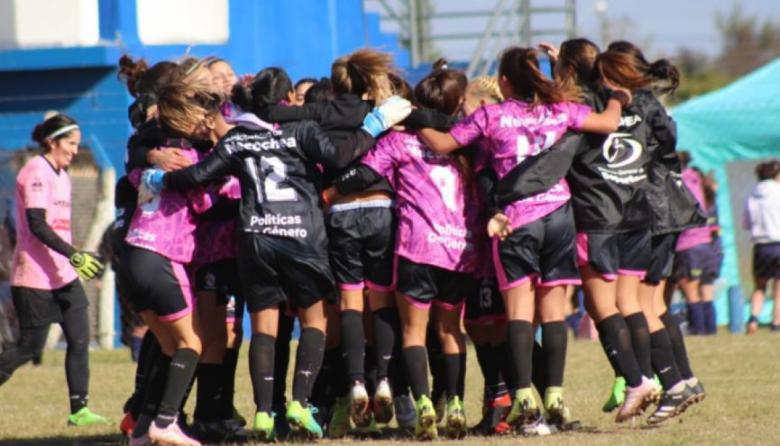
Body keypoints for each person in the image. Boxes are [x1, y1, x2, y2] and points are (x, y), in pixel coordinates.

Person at [142, 64, 410, 440]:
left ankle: (265, 412)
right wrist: (373, 126)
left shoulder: (238, 139)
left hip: (255, 238)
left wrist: (158, 178)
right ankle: (299, 401)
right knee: (315, 321)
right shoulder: (302, 131)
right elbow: (339, 157)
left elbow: (199, 176)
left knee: (263, 327)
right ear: (286, 101)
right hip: (302, 237)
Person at [417, 45, 636, 427]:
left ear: (504, 82)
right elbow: (607, 123)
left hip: (515, 219)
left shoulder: (491, 115)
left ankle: (522, 397)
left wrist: (412, 116)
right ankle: (555, 396)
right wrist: (618, 98)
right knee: (553, 312)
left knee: (518, 312)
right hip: (559, 215)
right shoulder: (560, 111)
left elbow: (442, 143)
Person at [327, 64, 476, 440]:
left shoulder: (399, 141)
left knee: (413, 332)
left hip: (418, 249)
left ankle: (423, 404)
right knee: (451, 330)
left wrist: (329, 193)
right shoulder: (465, 141)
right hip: (460, 250)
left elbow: (364, 174)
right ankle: (456, 404)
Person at [599, 41, 702, 424]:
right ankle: (685, 380)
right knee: (655, 304)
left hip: (655, 211)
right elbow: (669, 144)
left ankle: (673, 385)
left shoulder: (635, 105)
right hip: (669, 208)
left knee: (642, 304)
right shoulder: (650, 103)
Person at [0, 113, 109, 426]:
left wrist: (73, 260)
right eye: (70, 143)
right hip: (34, 275)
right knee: (28, 347)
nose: (75, 150)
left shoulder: (63, 174)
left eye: (77, 144)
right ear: (51, 142)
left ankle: (80, 410)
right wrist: (75, 255)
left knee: (79, 339)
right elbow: (37, 224)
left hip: (64, 275)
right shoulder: (35, 171)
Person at [744, 160, 780, 333]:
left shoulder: (752, 195)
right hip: (778, 242)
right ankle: (776, 322)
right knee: (778, 287)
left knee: (759, 286)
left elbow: (746, 223)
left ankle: (753, 319)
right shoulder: (778, 192)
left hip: (760, 245)